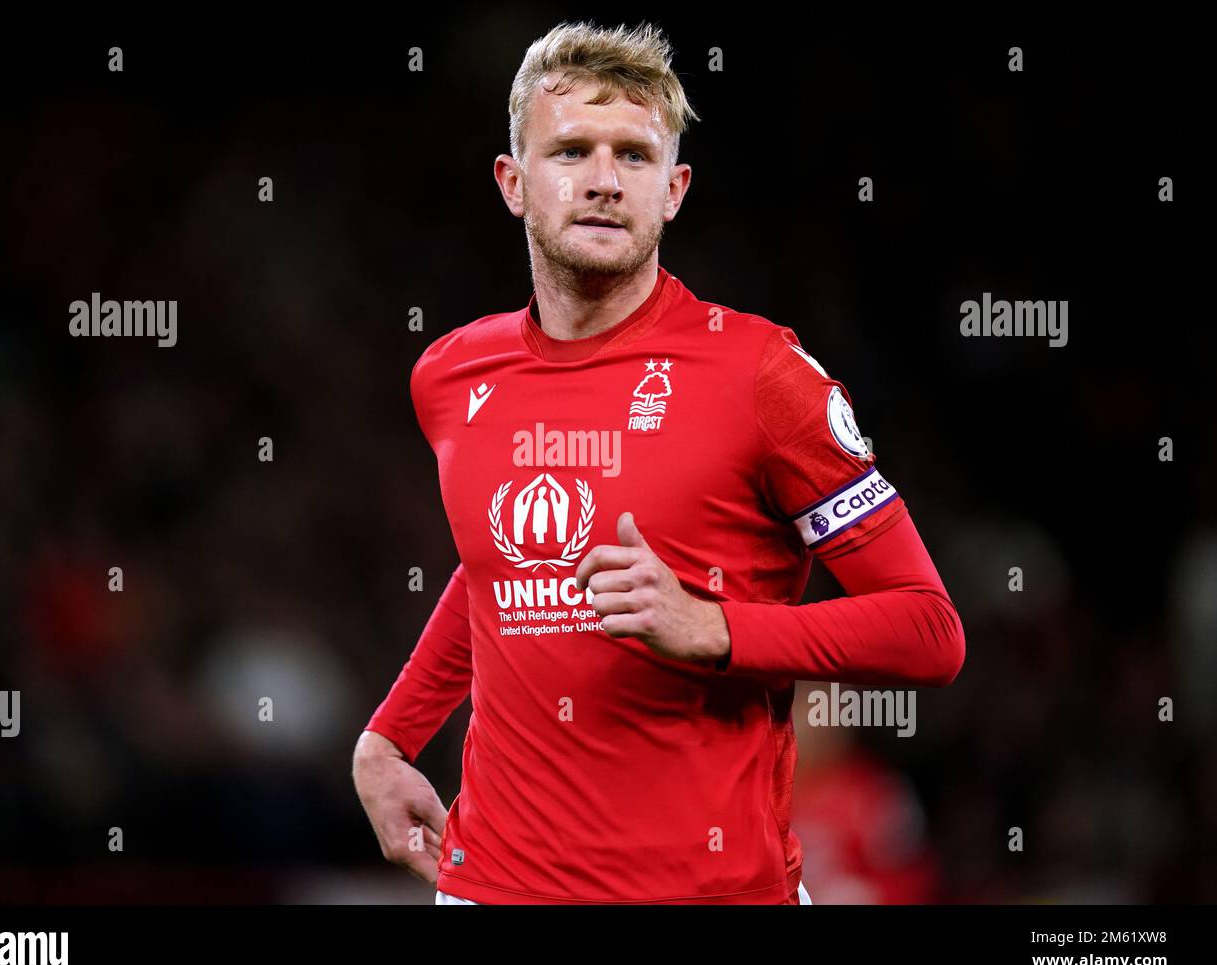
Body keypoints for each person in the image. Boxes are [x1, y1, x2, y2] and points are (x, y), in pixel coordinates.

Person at [353, 20, 964, 905]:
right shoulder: (450, 374)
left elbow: (929, 631)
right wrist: (391, 736)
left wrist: (717, 629)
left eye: (634, 157)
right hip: (491, 889)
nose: (603, 181)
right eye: (571, 150)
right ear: (513, 183)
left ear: (674, 190)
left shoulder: (762, 376)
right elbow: (499, 564)